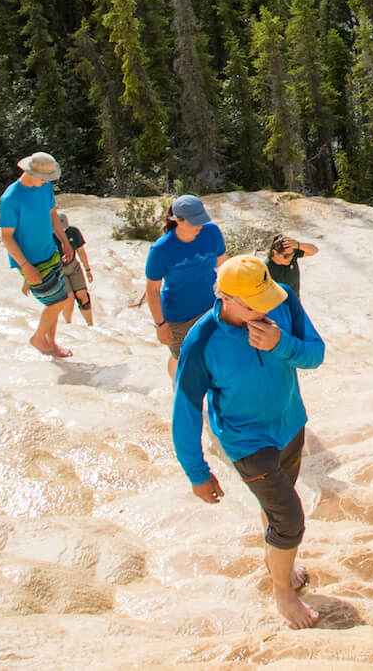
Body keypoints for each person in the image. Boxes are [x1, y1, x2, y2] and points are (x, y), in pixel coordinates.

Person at [173, 256, 327, 630]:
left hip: (289, 424)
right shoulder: (202, 341)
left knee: (277, 508)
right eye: (256, 304)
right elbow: (186, 409)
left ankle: (275, 559)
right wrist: (197, 472)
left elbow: (315, 354)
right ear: (226, 299)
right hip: (246, 441)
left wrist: (281, 343)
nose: (266, 308)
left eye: (267, 298)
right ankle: (282, 593)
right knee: (290, 520)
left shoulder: (283, 300)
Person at [0, 151, 78, 358]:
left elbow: (52, 214)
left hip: (51, 252)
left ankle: (51, 343)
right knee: (59, 301)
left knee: (57, 299)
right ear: (31, 172)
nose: (47, 182)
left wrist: (64, 241)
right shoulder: (10, 199)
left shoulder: (45, 186)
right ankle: (38, 338)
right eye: (44, 178)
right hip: (31, 262)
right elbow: (7, 237)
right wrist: (25, 267)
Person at [145, 193, 228, 377]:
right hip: (179, 317)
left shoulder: (212, 232)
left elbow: (223, 263)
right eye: (195, 221)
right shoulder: (160, 250)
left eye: (202, 219)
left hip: (212, 307)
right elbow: (152, 291)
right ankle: (177, 388)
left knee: (214, 355)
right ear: (177, 220)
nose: (200, 225)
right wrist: (160, 325)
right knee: (183, 359)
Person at [59, 214, 96, 325]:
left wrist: (88, 270)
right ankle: (68, 324)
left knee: (83, 296)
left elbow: (81, 251)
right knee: (69, 298)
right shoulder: (48, 235)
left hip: (73, 266)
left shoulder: (73, 232)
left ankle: (90, 325)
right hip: (58, 269)